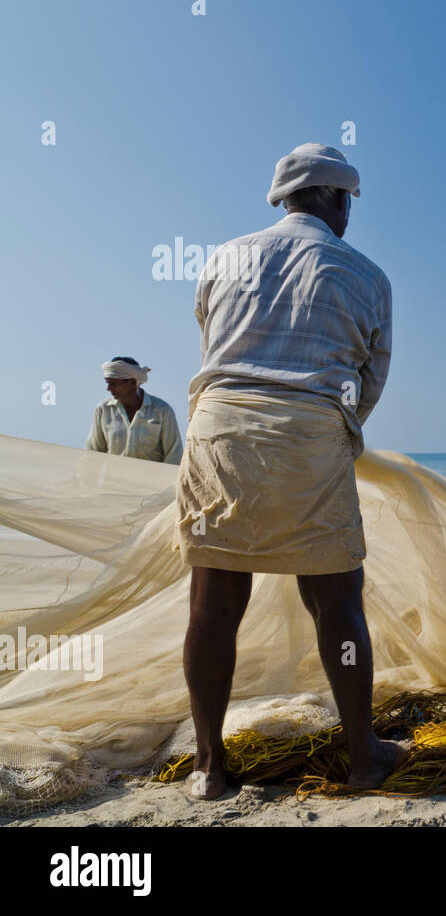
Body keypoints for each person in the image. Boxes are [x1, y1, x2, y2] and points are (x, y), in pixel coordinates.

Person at [175, 143, 402, 799]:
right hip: (309, 432)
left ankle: (209, 768)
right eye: (348, 202)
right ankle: (363, 757)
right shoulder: (367, 275)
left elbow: (212, 346)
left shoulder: (223, 257)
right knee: (337, 602)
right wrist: (327, 431)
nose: (349, 213)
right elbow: (369, 382)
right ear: (334, 197)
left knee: (214, 606)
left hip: (220, 427)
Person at [85, 357, 183, 464]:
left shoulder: (162, 411)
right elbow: (93, 452)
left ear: (132, 383)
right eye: (107, 383)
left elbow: (174, 455)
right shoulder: (103, 410)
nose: (109, 388)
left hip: (150, 480)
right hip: (113, 480)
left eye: (114, 383)